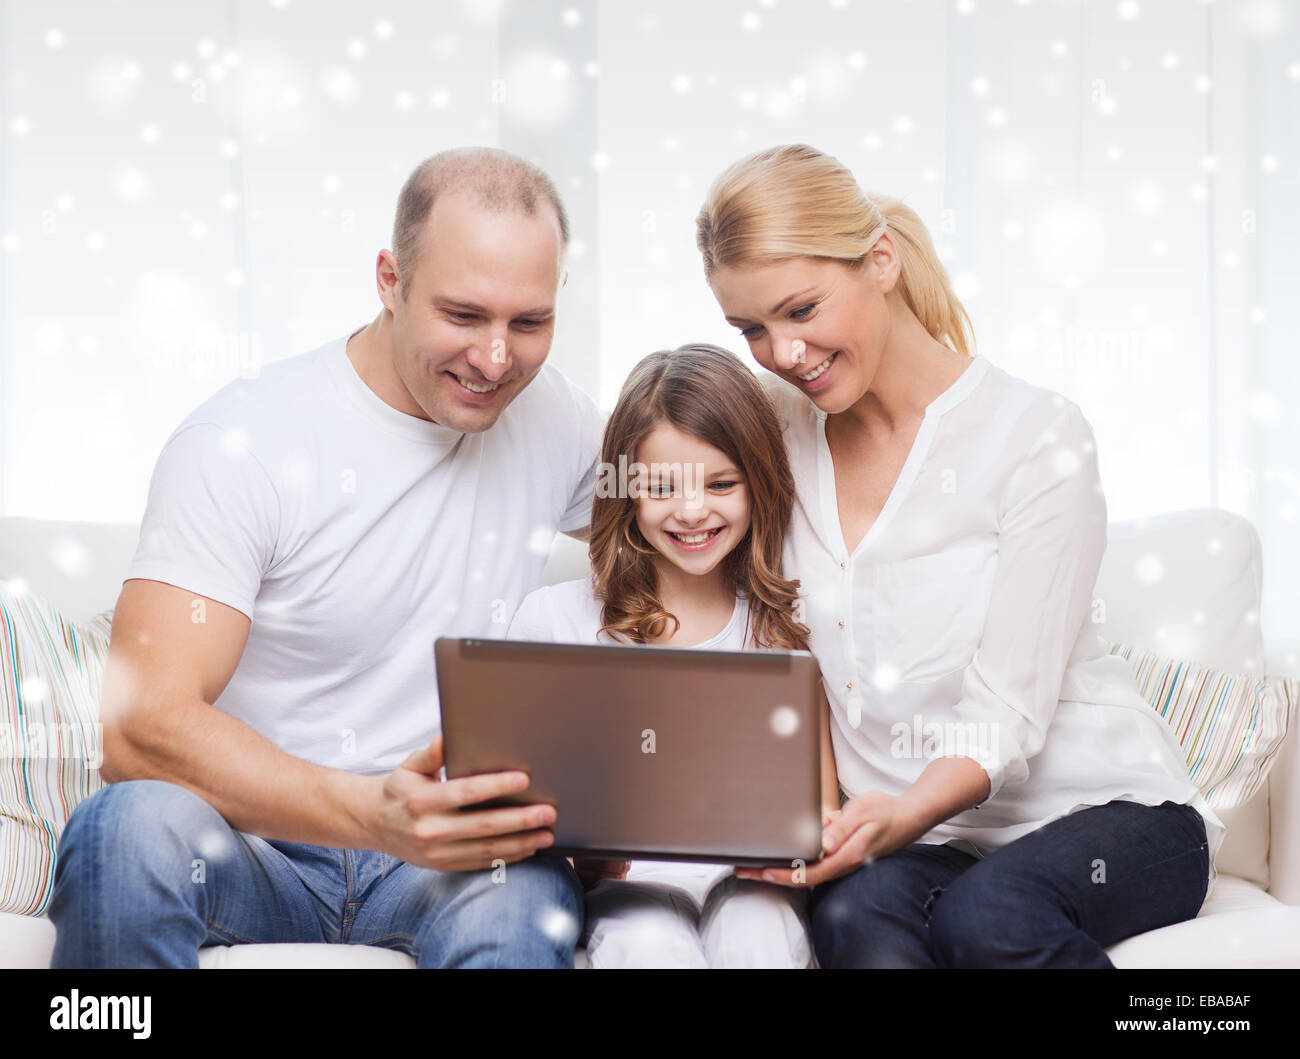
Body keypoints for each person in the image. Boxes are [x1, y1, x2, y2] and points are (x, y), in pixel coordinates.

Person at [48, 147, 606, 968]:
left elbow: (706, 527)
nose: (496, 359)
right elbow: (139, 727)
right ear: (389, 278)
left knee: (529, 893)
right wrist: (368, 812)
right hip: (252, 846)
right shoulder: (245, 441)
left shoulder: (553, 419)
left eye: (529, 323)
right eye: (462, 315)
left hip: (443, 862)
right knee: (120, 830)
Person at [694, 143, 1226, 968]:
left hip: (1110, 813)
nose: (782, 352)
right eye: (751, 329)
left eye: (801, 310)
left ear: (880, 260)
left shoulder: (1036, 437)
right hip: (926, 835)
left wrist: (900, 815)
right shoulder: (773, 436)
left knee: (988, 915)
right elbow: (650, 496)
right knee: (851, 921)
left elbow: (1006, 711)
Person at [505, 344, 842, 968]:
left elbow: (819, 817)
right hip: (623, 890)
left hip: (752, 885)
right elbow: (522, 819)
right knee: (648, 938)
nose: (692, 511)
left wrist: (791, 856)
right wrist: (588, 857)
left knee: (757, 930)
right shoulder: (556, 621)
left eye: (720, 483)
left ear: (759, 484)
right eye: (663, 487)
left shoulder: (782, 627)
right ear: (627, 490)